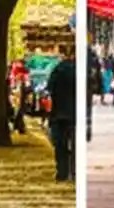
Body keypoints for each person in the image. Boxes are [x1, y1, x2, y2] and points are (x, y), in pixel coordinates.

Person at [47, 48, 76, 182]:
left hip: (59, 113)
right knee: (75, 143)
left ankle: (62, 172)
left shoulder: (57, 70)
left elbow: (50, 88)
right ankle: (74, 171)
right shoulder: (78, 70)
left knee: (60, 145)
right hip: (74, 113)